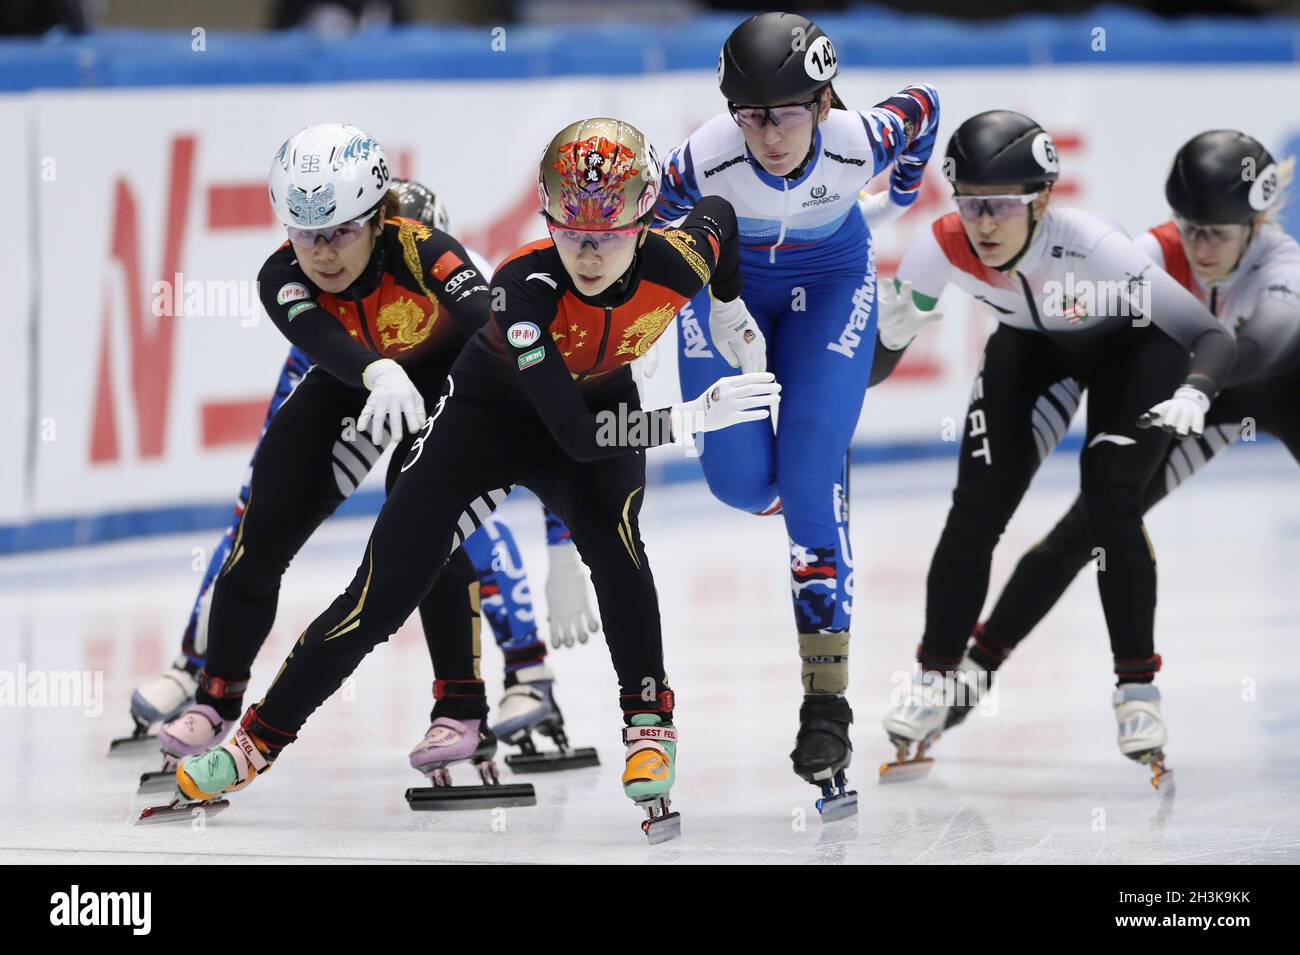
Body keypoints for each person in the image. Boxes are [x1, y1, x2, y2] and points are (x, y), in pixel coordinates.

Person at [168, 117, 780, 842]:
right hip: (491, 419)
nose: (586, 252)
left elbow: (722, 217)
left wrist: (730, 303)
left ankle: (648, 723)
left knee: (620, 554)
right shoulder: (523, 285)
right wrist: (687, 419)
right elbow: (575, 437)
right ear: (547, 220)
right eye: (568, 230)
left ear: (646, 222)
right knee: (379, 593)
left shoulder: (683, 259)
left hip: (599, 406)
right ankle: (255, 740)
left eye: (608, 235)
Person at [122, 177, 599, 769]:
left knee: (428, 522)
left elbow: (536, 392)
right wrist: (374, 371)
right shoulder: (287, 275)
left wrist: (563, 547)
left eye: (341, 233)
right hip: (354, 378)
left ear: (382, 226)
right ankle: (214, 691)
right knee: (261, 525)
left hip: (455, 379)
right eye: (306, 234)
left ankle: (468, 703)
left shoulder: (437, 257)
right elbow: (260, 490)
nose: (323, 252)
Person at [873, 110, 1238, 788]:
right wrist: (877, 338)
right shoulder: (938, 246)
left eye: (1002, 206)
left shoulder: (1094, 245)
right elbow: (873, 370)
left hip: (1134, 348)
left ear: (1041, 201)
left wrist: (1196, 388)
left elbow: (1211, 334)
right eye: (971, 203)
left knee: (1110, 496)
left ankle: (1137, 692)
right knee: (974, 510)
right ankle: (932, 678)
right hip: (1033, 349)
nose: (984, 224)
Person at [653, 10, 940, 813]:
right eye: (750, 114)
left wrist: (903, 195)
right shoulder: (704, 156)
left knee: (809, 489)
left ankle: (827, 707)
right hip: (728, 295)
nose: (766, 134)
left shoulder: (858, 139)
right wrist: (701, 296)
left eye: (783, 113)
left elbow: (924, 107)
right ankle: (826, 428)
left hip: (832, 285)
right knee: (743, 484)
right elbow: (640, 228)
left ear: (820, 104)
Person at [954, 131, 1298, 742]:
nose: (1200, 246)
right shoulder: (1151, 252)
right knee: (1095, 520)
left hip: (1276, 383)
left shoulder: (1282, 264)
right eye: (1189, 227)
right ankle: (973, 672)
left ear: (1256, 222)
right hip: (1193, 392)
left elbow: (1265, 344)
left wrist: (1198, 381)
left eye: (1217, 232)